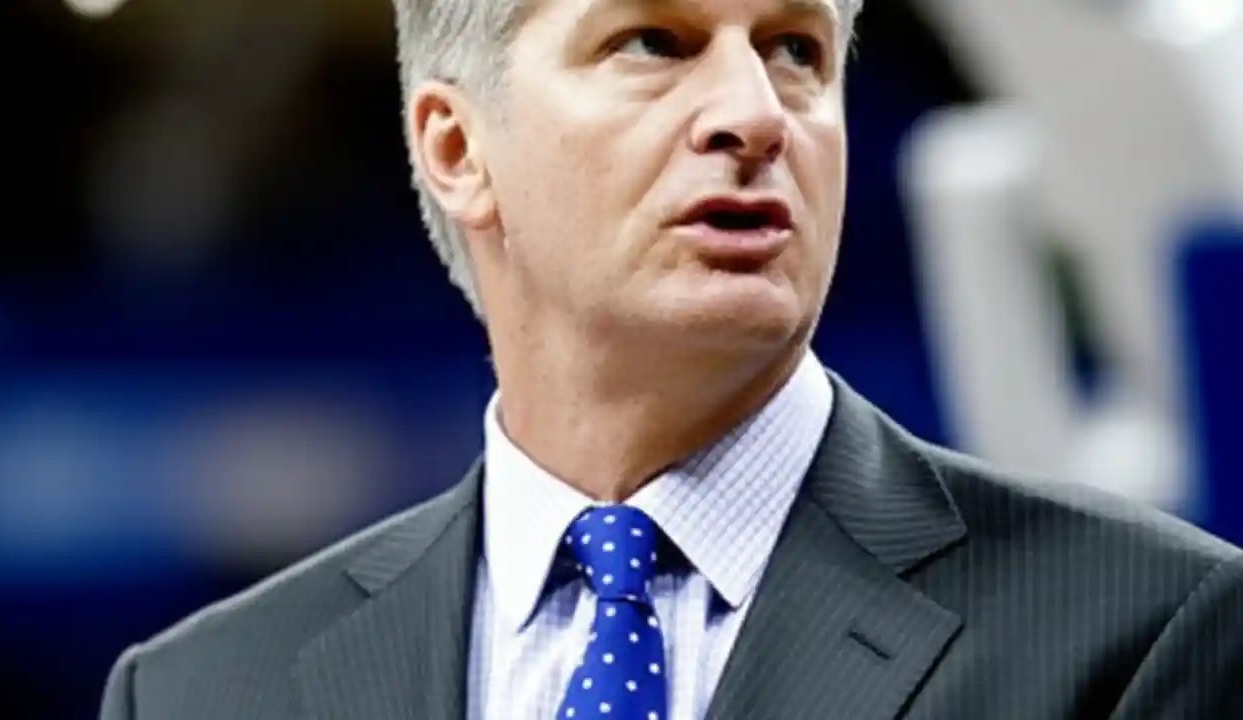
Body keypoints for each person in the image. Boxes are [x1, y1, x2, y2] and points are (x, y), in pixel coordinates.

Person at [99, 0, 1242, 718]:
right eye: (654, 41)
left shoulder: (1139, 633)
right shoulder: (200, 692)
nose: (754, 113)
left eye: (796, 50)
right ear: (457, 147)